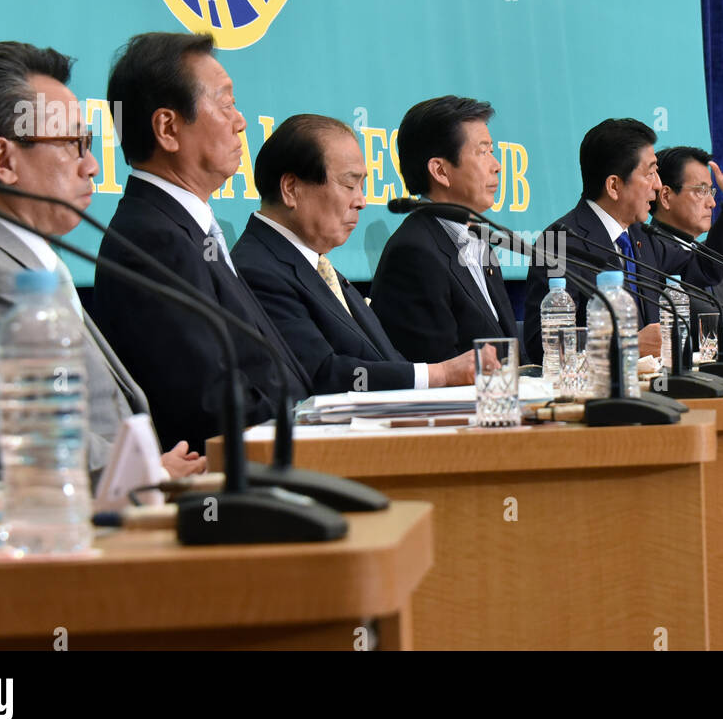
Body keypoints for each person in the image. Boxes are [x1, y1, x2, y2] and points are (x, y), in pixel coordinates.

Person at [0, 41, 204, 478]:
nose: (92, 165)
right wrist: (151, 472)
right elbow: (37, 449)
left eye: (89, 143)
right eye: (73, 144)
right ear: (4, 160)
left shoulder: (23, 264)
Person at [93, 32, 312, 451]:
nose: (241, 120)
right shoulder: (152, 241)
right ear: (168, 128)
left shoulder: (185, 229)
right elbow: (208, 407)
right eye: (226, 103)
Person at [232, 114, 477, 393]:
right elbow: (321, 373)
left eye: (362, 186)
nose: (361, 201)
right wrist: (441, 374)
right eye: (349, 185)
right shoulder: (256, 270)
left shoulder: (319, 267)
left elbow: (386, 358)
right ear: (291, 189)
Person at [522, 119, 723, 363]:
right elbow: (544, 344)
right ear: (614, 185)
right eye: (650, 173)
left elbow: (704, 268)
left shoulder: (641, 236)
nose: (657, 184)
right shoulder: (560, 242)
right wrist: (628, 344)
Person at [371, 96, 520, 363]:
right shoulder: (414, 254)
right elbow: (436, 368)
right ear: (440, 171)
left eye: (492, 151)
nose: (496, 165)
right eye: (482, 152)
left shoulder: (479, 239)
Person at [648, 145, 723, 347]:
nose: (712, 203)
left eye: (711, 192)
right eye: (701, 191)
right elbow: (713, 323)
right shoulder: (651, 253)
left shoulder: (706, 254)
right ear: (665, 196)